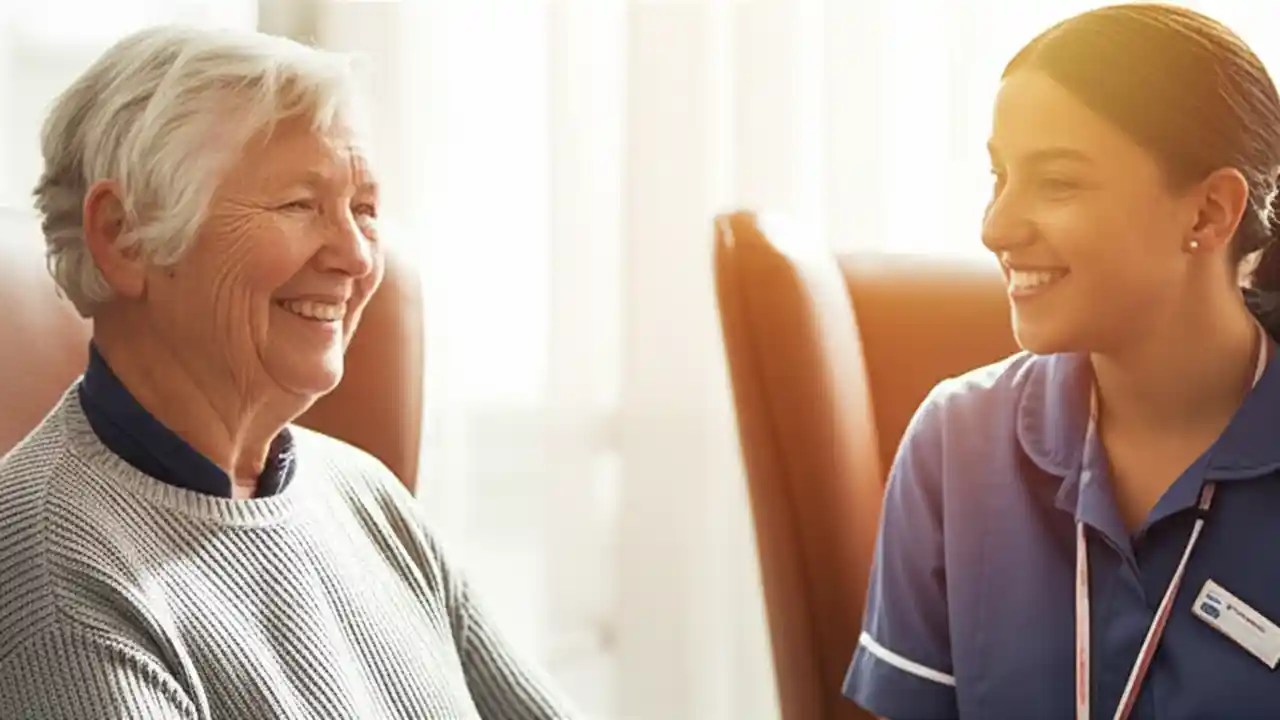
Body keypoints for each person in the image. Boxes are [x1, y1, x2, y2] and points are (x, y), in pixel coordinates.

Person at [0, 25, 574, 719]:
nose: (358, 257)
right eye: (300, 205)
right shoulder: (53, 580)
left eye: (364, 210)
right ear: (124, 236)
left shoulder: (364, 494)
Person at [843, 4, 1280, 719]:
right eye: (999, 178)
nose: (996, 228)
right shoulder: (955, 444)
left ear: (1207, 213)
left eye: (1057, 183)